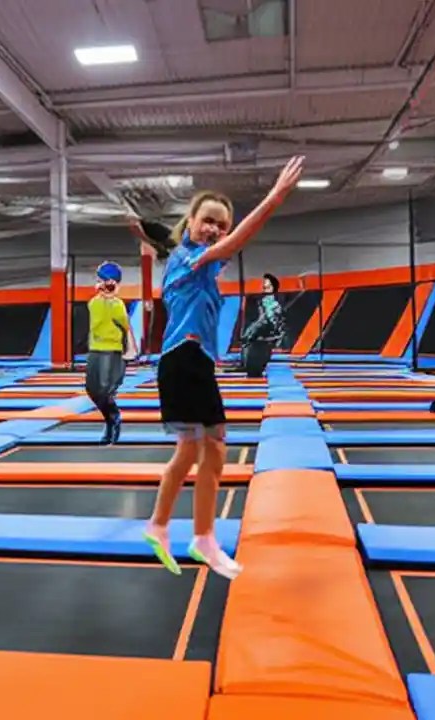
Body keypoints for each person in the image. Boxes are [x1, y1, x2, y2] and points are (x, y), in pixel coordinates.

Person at [143, 155, 305, 580]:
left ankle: (193, 535)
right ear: (191, 222)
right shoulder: (186, 258)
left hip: (194, 364)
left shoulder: (204, 273)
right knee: (199, 449)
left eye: (221, 224)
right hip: (181, 362)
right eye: (208, 220)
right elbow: (233, 246)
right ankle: (171, 528)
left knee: (208, 449)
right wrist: (273, 197)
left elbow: (226, 251)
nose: (214, 229)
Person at [85, 260, 138, 444]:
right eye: (98, 280)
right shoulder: (93, 303)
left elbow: (126, 327)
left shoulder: (118, 306)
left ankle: (112, 420)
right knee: (91, 390)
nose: (100, 284)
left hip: (112, 351)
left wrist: (131, 350)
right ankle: (110, 419)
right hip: (95, 350)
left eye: (103, 280)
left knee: (105, 391)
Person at [239, 272, 288, 376]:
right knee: (250, 342)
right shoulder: (265, 300)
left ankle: (252, 367)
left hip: (266, 334)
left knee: (253, 344)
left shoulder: (273, 303)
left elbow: (268, 319)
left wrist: (251, 332)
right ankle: (248, 365)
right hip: (264, 333)